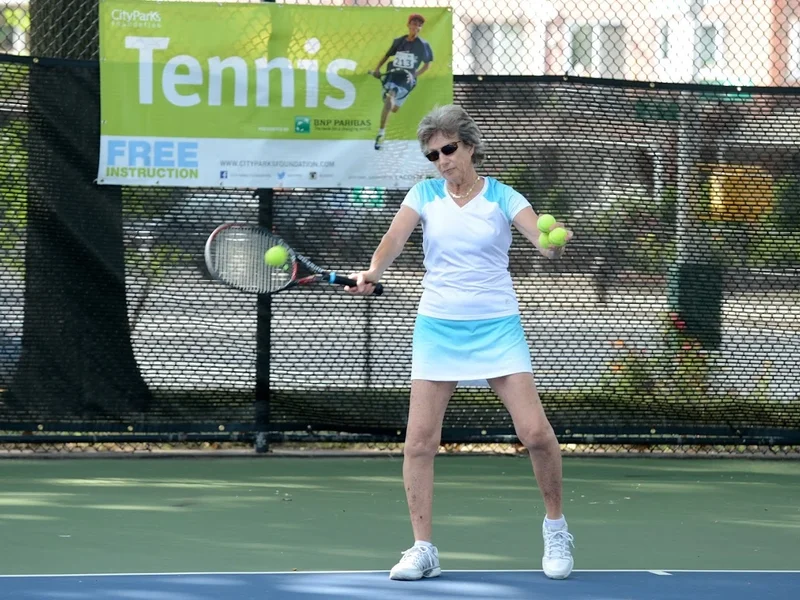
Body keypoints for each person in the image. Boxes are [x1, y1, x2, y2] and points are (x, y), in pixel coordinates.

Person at [345, 104, 576, 582]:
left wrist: (553, 243)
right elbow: (394, 237)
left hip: (497, 326)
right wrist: (373, 271)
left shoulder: (503, 196)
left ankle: (556, 528)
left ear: (470, 146)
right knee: (419, 443)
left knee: (535, 433)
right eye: (433, 154)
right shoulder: (424, 194)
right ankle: (423, 549)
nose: (442, 160)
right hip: (439, 326)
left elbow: (541, 240)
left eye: (448, 149)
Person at [368, 13, 433, 150]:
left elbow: (427, 64)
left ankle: (391, 103)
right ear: (408, 25)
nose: (416, 27)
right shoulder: (399, 41)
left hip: (407, 79)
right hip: (393, 74)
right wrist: (377, 69)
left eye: (419, 25)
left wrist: (415, 74)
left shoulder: (423, 45)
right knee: (390, 96)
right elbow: (387, 55)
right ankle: (381, 133)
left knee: (394, 108)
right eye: (414, 23)